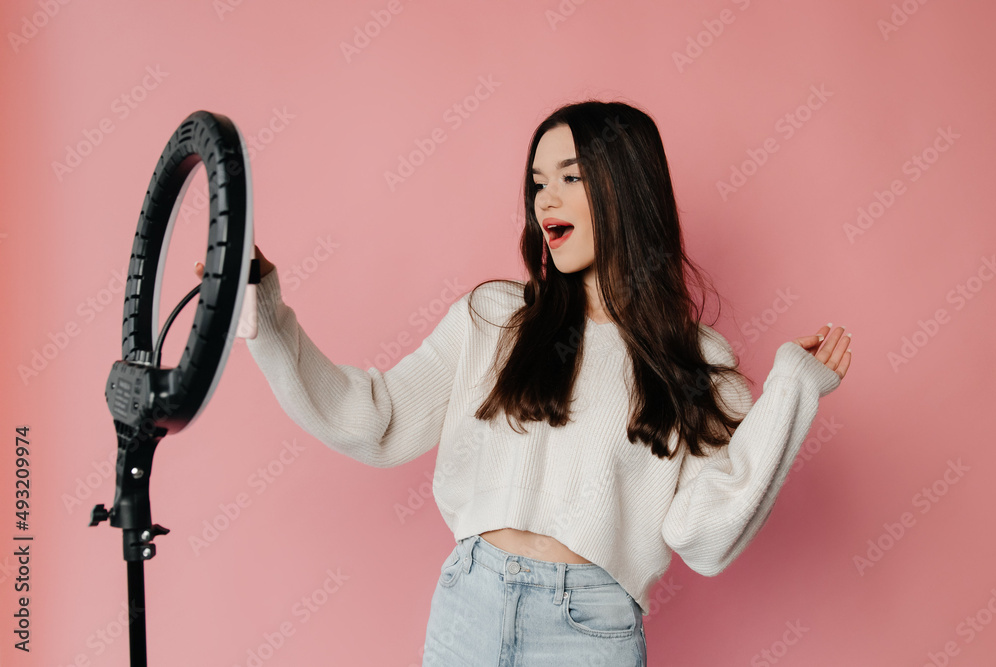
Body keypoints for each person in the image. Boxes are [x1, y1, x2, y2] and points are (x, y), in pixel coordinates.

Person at [195, 100, 852, 666]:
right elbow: (375, 419)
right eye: (539, 182)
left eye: (571, 176)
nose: (547, 200)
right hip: (468, 604)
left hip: (591, 628)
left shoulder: (692, 359)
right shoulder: (494, 317)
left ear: (627, 189)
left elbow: (703, 533)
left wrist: (793, 388)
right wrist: (268, 314)